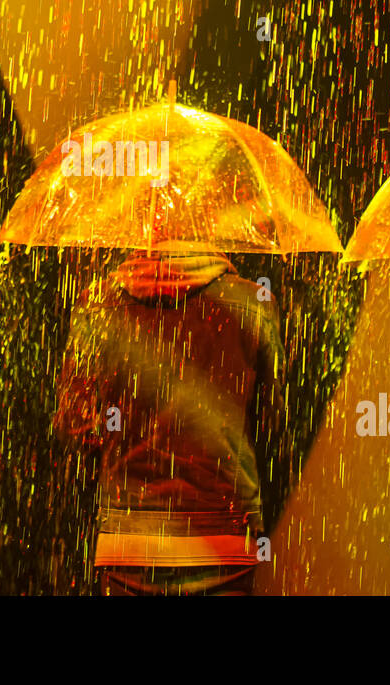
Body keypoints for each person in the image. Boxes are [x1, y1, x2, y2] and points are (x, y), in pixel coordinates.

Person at [53, 244, 286, 595]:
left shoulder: (97, 303)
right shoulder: (254, 301)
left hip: (129, 541)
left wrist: (122, 430)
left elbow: (75, 423)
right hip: (226, 536)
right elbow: (272, 420)